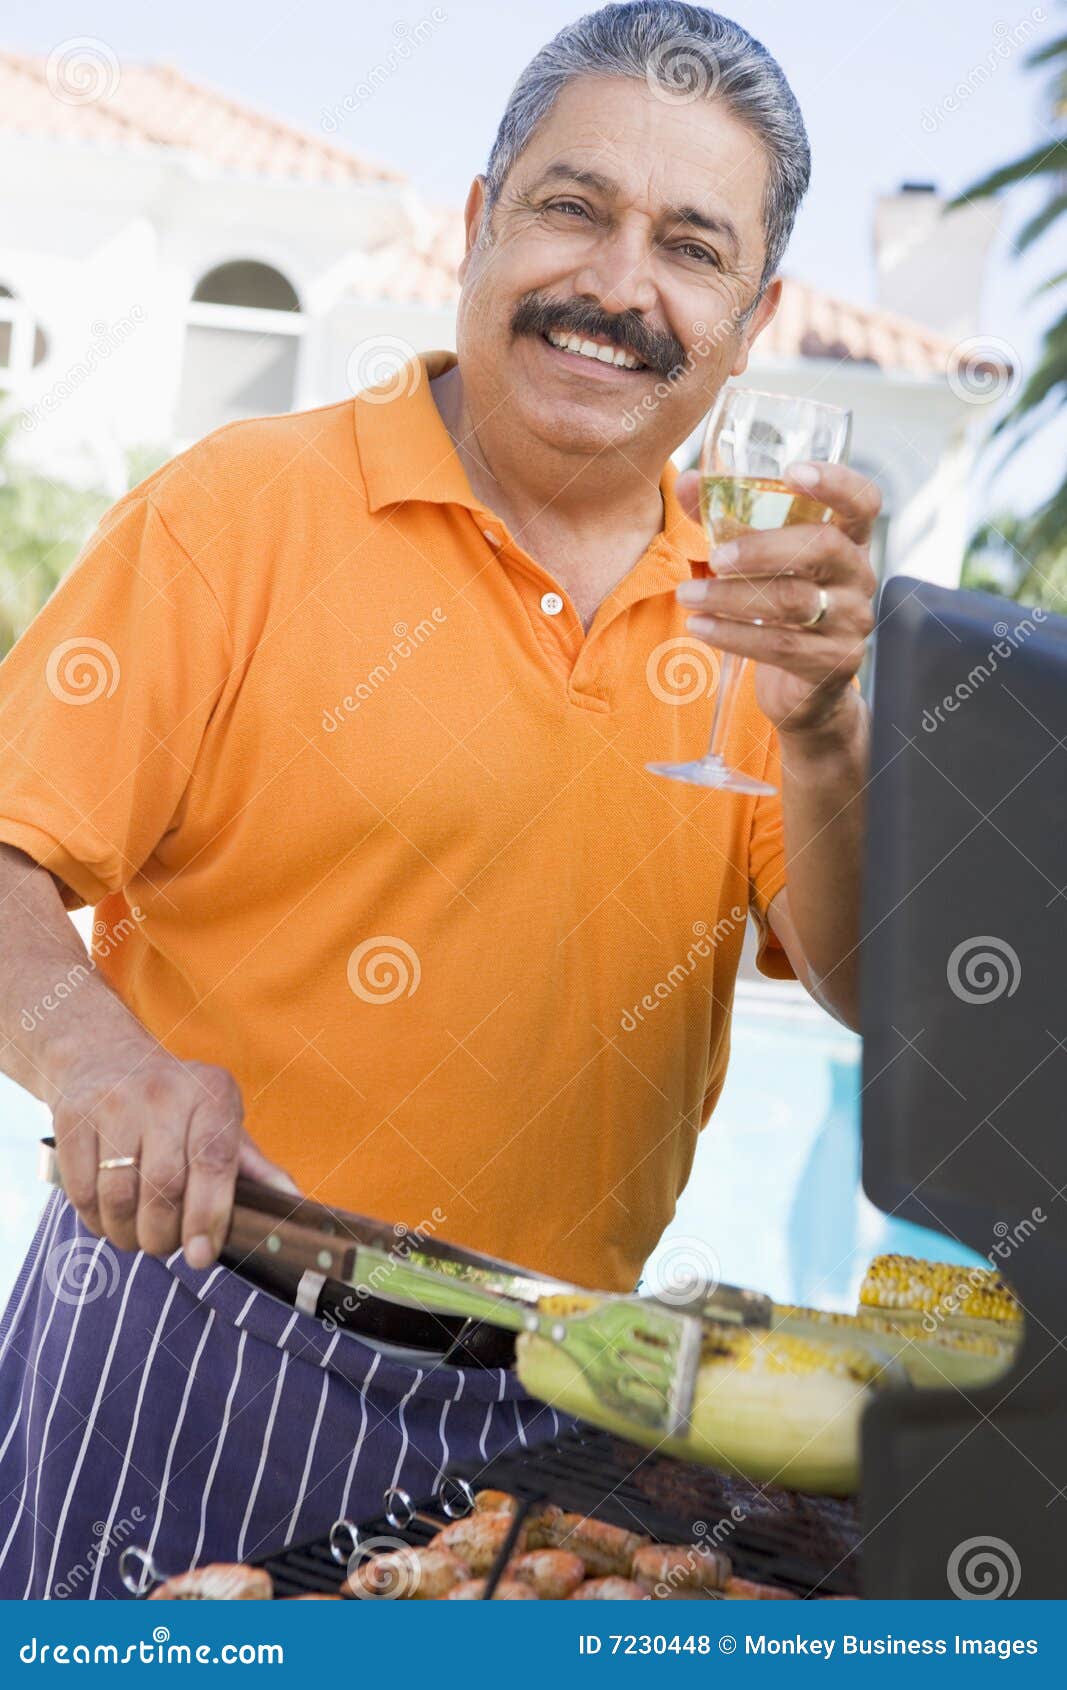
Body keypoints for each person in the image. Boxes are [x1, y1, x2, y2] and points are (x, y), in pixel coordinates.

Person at [0, 2, 878, 1597]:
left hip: (553, 1411)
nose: (619, 285)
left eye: (689, 246)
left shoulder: (761, 625)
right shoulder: (238, 510)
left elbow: (872, 986)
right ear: (477, 226)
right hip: (190, 1334)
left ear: (748, 323)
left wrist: (823, 732)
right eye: (573, 207)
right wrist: (93, 1047)